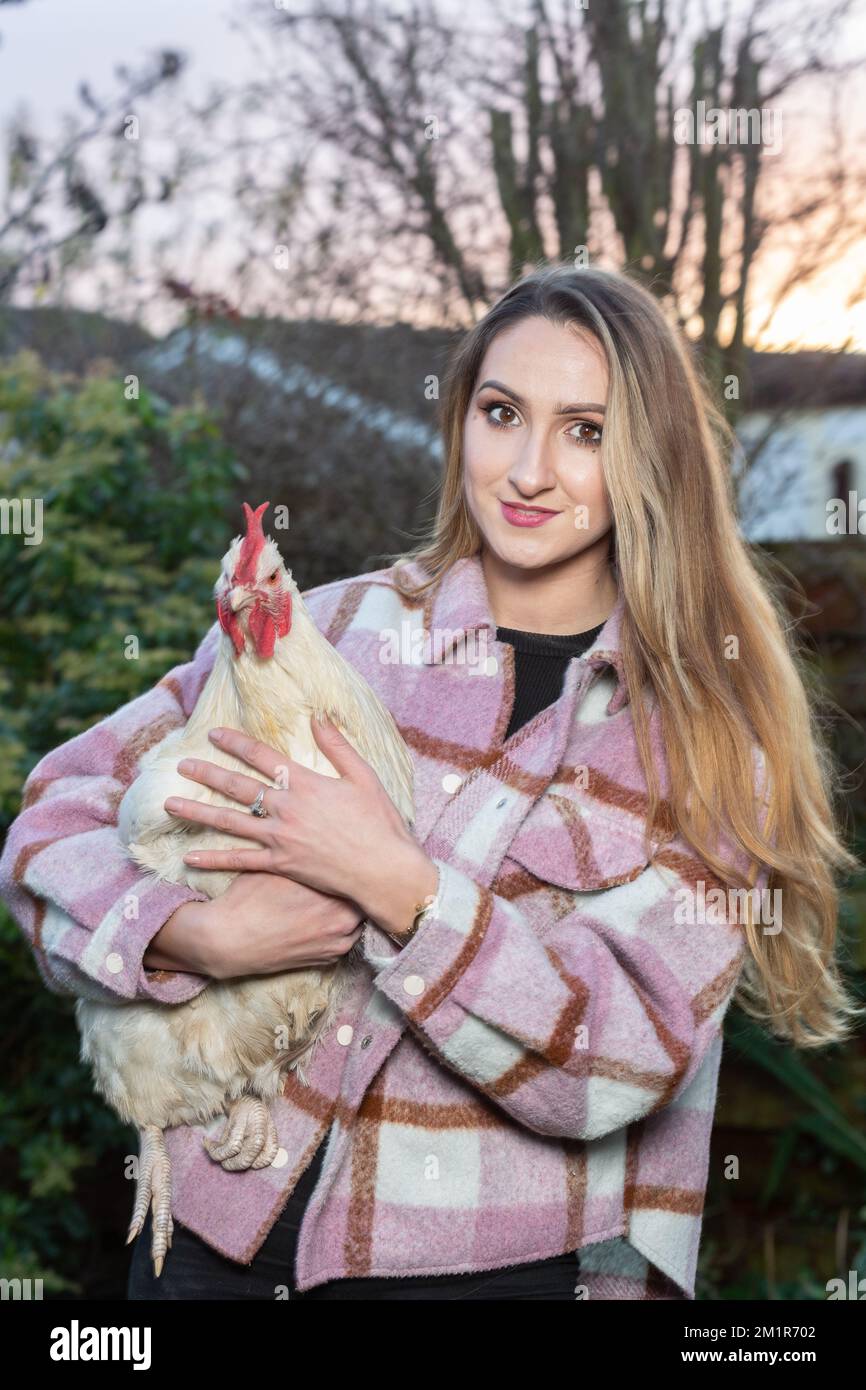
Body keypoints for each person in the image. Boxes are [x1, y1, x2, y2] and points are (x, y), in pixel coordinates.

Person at [1, 264, 860, 1302]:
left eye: (584, 430)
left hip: (506, 1271)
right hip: (206, 1248)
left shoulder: (704, 743)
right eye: (501, 413)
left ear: (651, 456)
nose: (529, 469)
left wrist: (398, 887)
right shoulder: (329, 629)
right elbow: (53, 820)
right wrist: (191, 937)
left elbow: (618, 1062)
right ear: (460, 420)